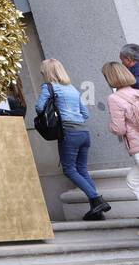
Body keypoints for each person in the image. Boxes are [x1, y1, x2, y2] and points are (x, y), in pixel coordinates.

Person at [37, 59, 110, 220]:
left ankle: (97, 199)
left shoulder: (49, 87)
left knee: (69, 169)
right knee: (82, 169)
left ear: (47, 73)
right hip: (84, 132)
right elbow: (85, 114)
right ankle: (96, 210)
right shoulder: (72, 89)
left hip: (68, 132)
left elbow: (39, 107)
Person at [103, 61, 139, 205]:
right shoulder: (137, 93)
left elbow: (119, 129)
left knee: (133, 181)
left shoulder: (114, 98)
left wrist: (110, 126)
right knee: (132, 179)